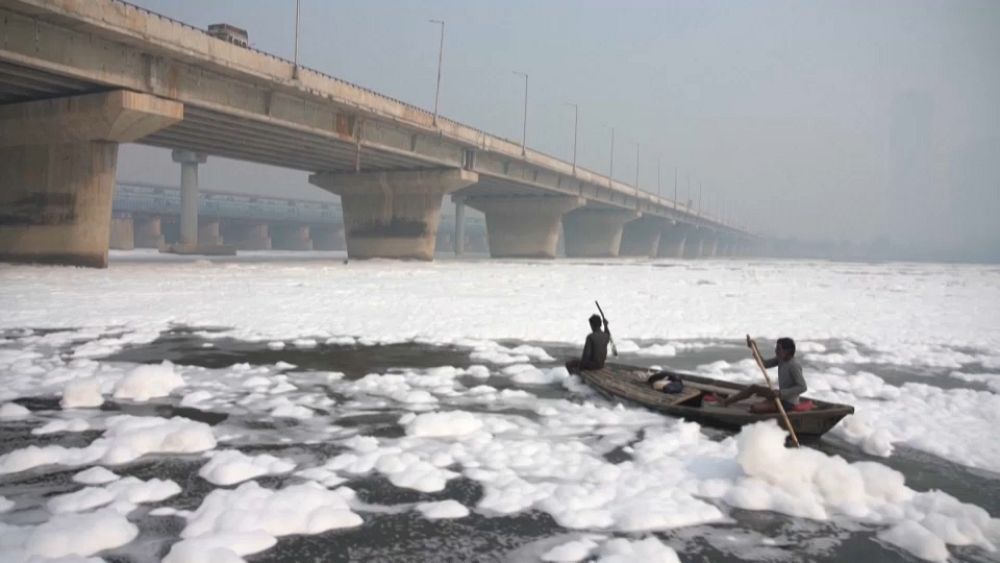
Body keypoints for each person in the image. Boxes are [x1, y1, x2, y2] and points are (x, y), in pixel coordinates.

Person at [720, 336, 806, 413]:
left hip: (788, 403)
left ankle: (767, 404)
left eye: (779, 349)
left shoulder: (794, 365)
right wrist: (754, 348)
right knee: (754, 388)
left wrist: (781, 393)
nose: (776, 351)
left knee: (755, 408)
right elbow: (764, 364)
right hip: (778, 396)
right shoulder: (781, 359)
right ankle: (726, 402)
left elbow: (802, 387)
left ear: (787, 351)